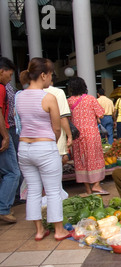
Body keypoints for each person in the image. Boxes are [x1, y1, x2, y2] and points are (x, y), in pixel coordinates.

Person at [16, 57, 72, 241]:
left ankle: (39, 231)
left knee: (33, 190)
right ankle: (59, 230)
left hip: (24, 148)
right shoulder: (48, 97)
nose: (50, 79)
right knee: (53, 190)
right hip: (44, 147)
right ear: (43, 75)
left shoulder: (19, 96)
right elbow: (56, 127)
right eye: (50, 75)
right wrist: (52, 141)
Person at [67, 77, 108, 195]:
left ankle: (88, 189)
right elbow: (101, 114)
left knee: (81, 161)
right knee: (94, 158)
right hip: (91, 134)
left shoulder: (69, 101)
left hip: (77, 136)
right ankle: (97, 185)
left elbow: (68, 118)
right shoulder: (90, 99)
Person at [0, 57, 20, 223]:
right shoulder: (0, 88)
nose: (9, 78)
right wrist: (5, 135)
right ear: (2, 71)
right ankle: (3, 208)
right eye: (9, 74)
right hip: (3, 133)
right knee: (13, 172)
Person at [44, 73, 73, 164]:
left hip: (35, 144)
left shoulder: (25, 94)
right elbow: (62, 118)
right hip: (55, 140)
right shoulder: (58, 93)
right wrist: (69, 135)